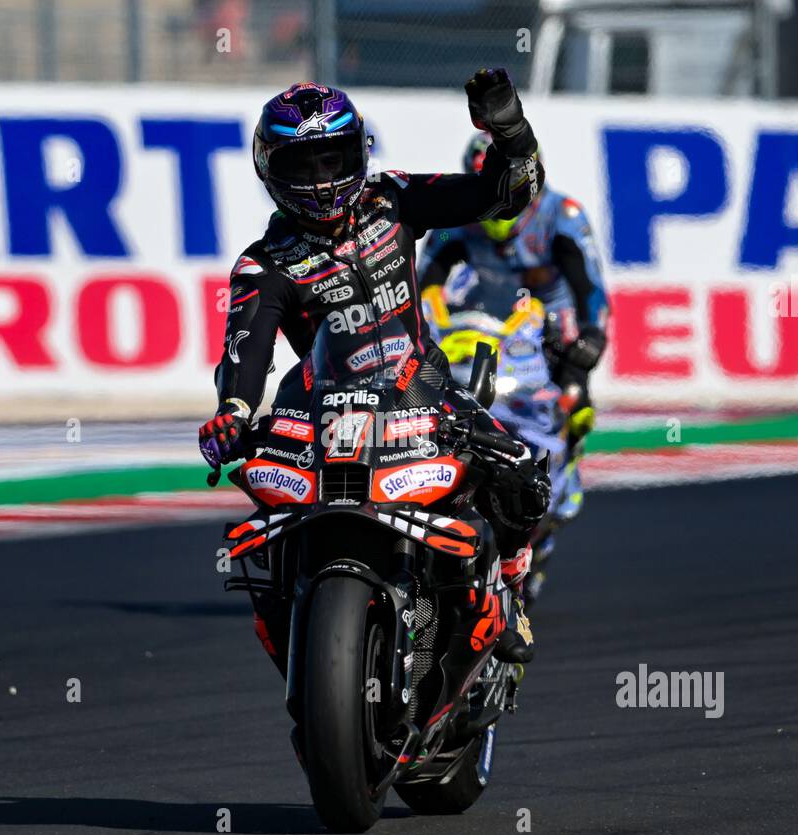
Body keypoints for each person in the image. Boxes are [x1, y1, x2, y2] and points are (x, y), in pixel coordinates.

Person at [198, 71, 551, 665]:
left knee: (519, 468)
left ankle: (511, 588)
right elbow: (245, 352)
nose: (322, 179)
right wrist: (232, 412)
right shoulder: (263, 265)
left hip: (421, 386)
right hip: (317, 404)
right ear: (270, 171)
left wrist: (508, 127)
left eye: (332, 158)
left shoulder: (394, 198)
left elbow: (506, 192)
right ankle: (294, 613)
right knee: (262, 497)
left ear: (358, 151)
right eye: (303, 166)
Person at [419, 132, 610, 454]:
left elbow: (589, 286)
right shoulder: (455, 215)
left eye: (509, 188)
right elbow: (422, 280)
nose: (501, 200)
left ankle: (563, 461)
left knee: (575, 396)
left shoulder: (563, 215)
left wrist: (592, 334)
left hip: (549, 320)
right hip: (487, 315)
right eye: (487, 187)